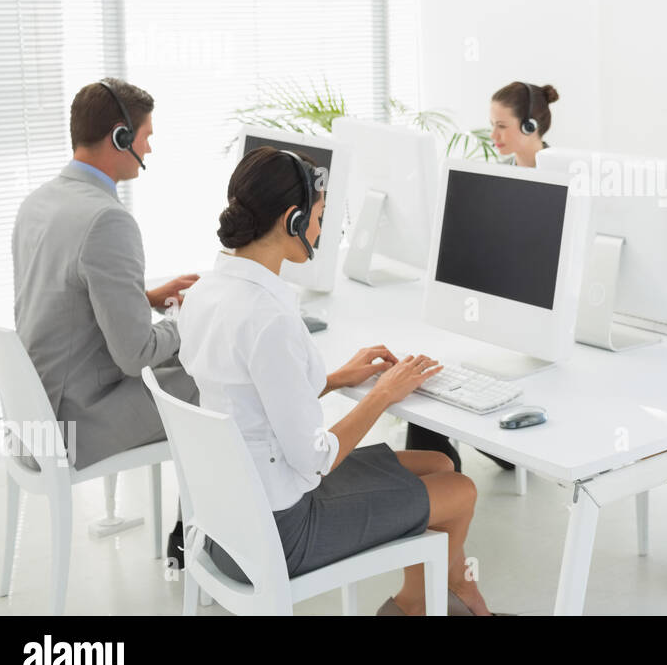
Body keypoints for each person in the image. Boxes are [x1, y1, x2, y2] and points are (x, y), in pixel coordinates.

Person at [176, 146, 493, 615]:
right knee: (461, 490)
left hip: (229, 526)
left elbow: (248, 397)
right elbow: (315, 458)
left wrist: (338, 378)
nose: (322, 232)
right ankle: (429, 603)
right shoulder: (268, 318)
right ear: (293, 219)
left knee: (438, 464)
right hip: (280, 536)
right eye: (320, 217)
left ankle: (427, 603)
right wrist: (383, 396)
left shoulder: (207, 292)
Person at [13, 79, 200, 558]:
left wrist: (145, 296)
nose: (150, 145)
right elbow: (135, 354)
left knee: (188, 365)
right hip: (74, 424)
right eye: (145, 135)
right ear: (121, 138)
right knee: (212, 375)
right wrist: (194, 322)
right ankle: (206, 542)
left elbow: (64, 296)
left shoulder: (39, 201)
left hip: (34, 419)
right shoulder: (106, 220)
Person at [405, 80, 560, 472]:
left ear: (529, 127)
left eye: (501, 126)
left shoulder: (567, 178)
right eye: (491, 125)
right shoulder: (499, 178)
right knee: (428, 389)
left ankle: (442, 483)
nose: (492, 136)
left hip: (543, 315)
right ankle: (439, 472)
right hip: (499, 309)